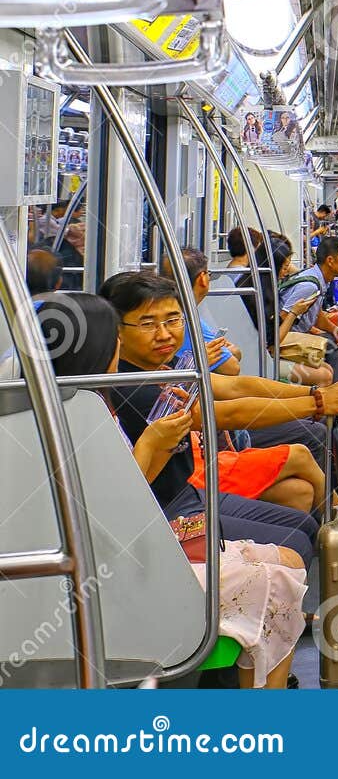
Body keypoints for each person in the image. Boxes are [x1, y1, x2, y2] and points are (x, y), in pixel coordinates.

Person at [39, 291, 308, 689]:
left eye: (173, 319)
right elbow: (109, 509)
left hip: (133, 548)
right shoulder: (82, 417)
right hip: (114, 575)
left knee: (291, 556)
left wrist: (160, 442)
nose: (164, 334)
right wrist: (151, 444)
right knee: (278, 580)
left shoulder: (97, 401)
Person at [94, 273, 338, 563]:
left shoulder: (165, 368)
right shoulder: (135, 388)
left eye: (173, 320)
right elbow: (227, 413)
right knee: (297, 530)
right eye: (148, 324)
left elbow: (238, 386)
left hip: (187, 488)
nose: (164, 333)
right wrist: (317, 403)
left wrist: (314, 392)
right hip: (170, 506)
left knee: (299, 504)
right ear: (117, 330)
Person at [278, 235, 338, 381]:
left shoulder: (320, 280)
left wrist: (335, 330)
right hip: (288, 340)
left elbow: (316, 314)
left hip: (301, 334)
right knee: (337, 354)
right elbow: (283, 316)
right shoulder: (309, 287)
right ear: (330, 261)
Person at [160, 248, 241, 376]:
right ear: (202, 278)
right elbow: (231, 368)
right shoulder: (186, 318)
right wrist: (234, 351)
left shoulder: (175, 310)